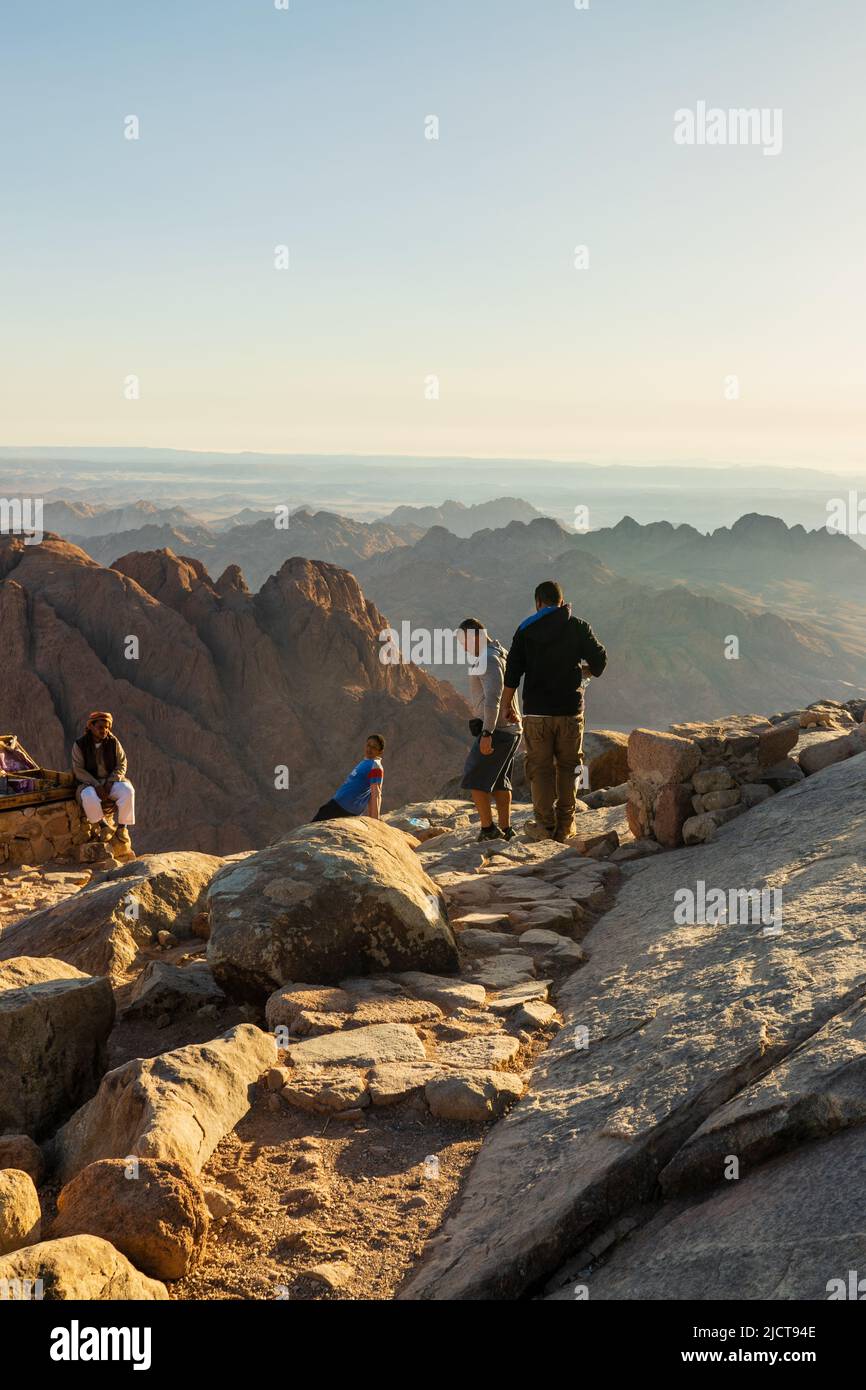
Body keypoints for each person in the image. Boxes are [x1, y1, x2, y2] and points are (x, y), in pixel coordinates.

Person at [502, 580, 607, 843]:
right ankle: (566, 825)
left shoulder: (526, 629)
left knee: (540, 769)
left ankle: (544, 826)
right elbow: (600, 660)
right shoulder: (577, 626)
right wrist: (583, 672)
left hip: (536, 713)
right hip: (570, 711)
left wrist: (506, 706)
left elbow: (512, 673)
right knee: (570, 767)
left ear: (538, 602)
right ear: (562, 601)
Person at [457, 618, 522, 842]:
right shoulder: (499, 653)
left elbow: (492, 699)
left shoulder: (487, 659)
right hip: (509, 728)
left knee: (474, 776)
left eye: (464, 640)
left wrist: (487, 732)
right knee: (501, 780)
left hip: (499, 731)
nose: (462, 646)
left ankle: (488, 829)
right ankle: (506, 828)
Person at [72, 710, 136, 855]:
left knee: (128, 790)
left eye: (107, 727)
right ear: (91, 727)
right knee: (88, 796)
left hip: (110, 781)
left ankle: (122, 828)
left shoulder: (113, 742)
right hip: (89, 783)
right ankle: (103, 826)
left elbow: (122, 763)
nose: (105, 730)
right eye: (101, 727)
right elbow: (78, 770)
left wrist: (111, 780)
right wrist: (96, 784)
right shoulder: (80, 745)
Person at [312, 734, 385, 821]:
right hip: (340, 804)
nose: (369, 749)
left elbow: (375, 793)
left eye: (374, 747)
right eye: (368, 745)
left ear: (380, 752)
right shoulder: (366, 762)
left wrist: (374, 819)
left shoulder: (375, 766)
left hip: (344, 807)